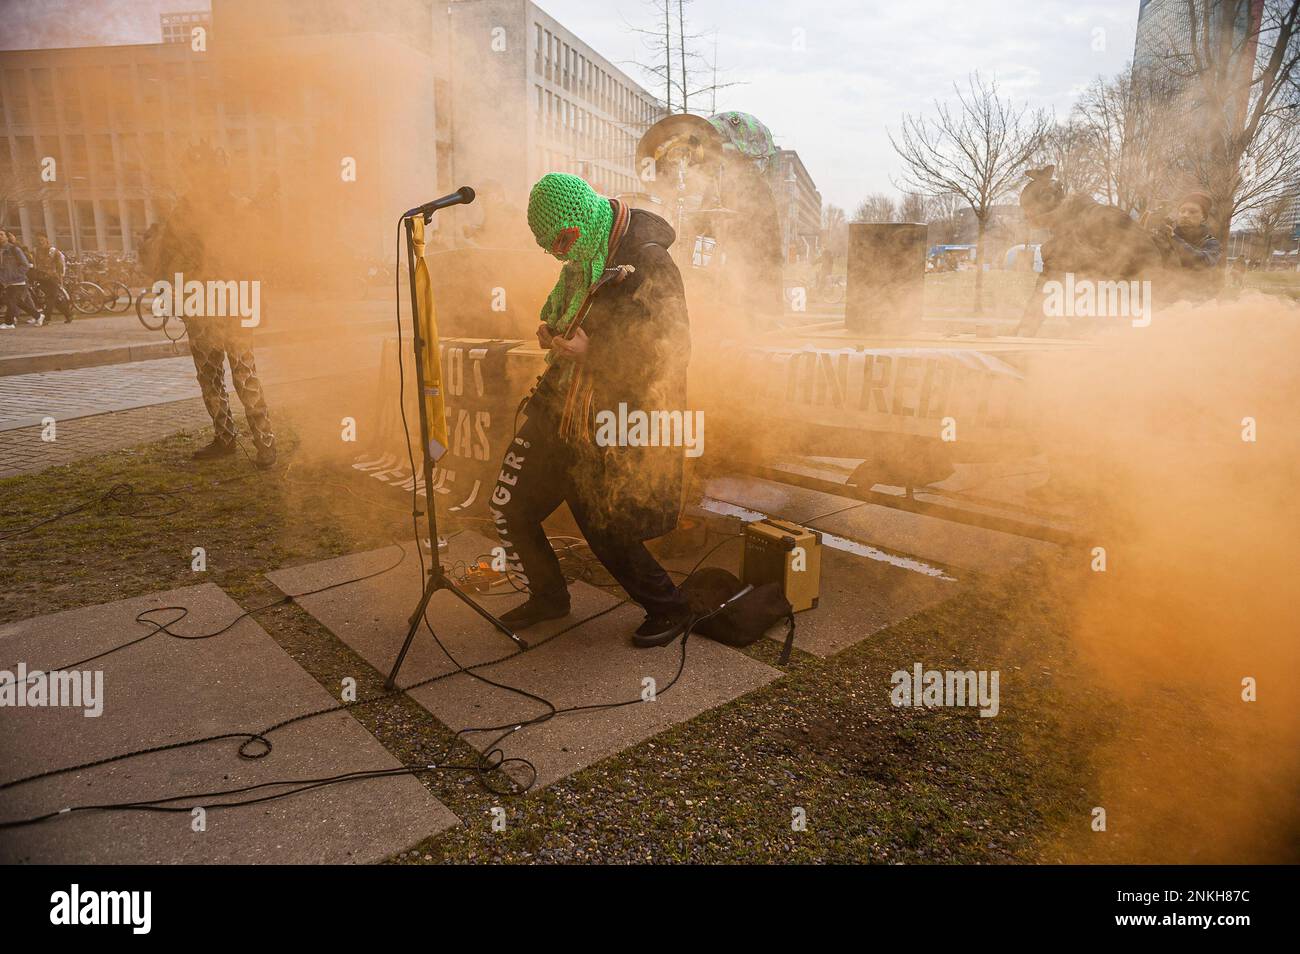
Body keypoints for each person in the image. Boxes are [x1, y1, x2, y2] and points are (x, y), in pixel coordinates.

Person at [489, 173, 693, 648]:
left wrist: (592, 351)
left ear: (581, 219)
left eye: (562, 241)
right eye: (550, 248)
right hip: (558, 404)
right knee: (511, 506)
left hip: (614, 409)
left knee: (604, 521)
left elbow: (672, 348)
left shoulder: (649, 260)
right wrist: (555, 331)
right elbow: (575, 315)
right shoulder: (585, 258)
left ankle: (670, 607)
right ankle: (549, 597)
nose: (560, 255)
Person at [139, 143, 277, 467]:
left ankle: (265, 442)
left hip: (234, 301)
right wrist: (168, 286)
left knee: (244, 374)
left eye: (212, 171)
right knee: (210, 376)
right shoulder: (183, 211)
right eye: (198, 172)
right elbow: (165, 255)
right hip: (200, 303)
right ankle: (225, 437)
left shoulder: (239, 207)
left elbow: (256, 255)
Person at [1151, 190, 1221, 301]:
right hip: (1164, 300)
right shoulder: (1167, 237)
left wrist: (1174, 238)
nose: (1185, 215)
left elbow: (1201, 262)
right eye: (1182, 211)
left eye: (1192, 212)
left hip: (1197, 303)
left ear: (1203, 217)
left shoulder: (1211, 243)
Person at [0, 231, 41, 329]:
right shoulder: (1, 250)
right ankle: (38, 316)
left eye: (1, 235)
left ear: (7, 237)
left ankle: (9, 323)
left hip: (17, 280)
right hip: (5, 281)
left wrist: (15, 275)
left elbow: (25, 265)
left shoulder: (14, 249)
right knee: (17, 301)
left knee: (11, 301)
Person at [29, 234, 73, 324]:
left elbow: (60, 265)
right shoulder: (35, 251)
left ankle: (46, 318)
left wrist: (61, 277)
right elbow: (34, 263)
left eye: (42, 240)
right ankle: (68, 314)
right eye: (38, 240)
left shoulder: (53, 251)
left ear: (47, 240)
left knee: (50, 297)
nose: (40, 242)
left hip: (52, 277)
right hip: (41, 278)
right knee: (54, 298)